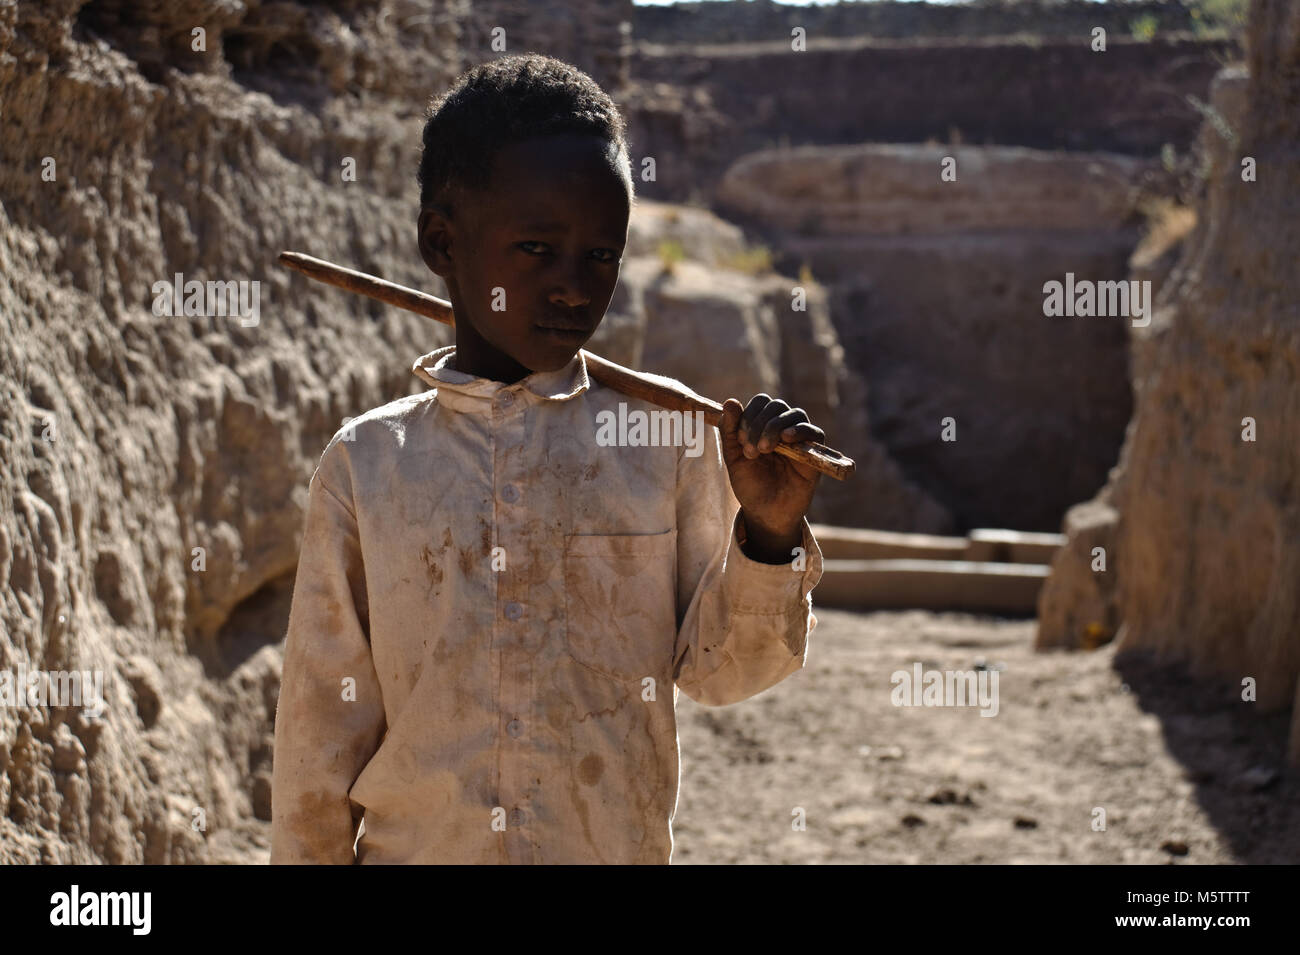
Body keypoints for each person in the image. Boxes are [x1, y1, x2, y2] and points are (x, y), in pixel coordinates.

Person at [271, 53, 826, 864]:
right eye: (536, 248)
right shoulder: (368, 466)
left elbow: (723, 672)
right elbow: (318, 741)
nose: (575, 287)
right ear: (441, 241)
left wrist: (769, 534)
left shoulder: (661, 436)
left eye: (602, 256)